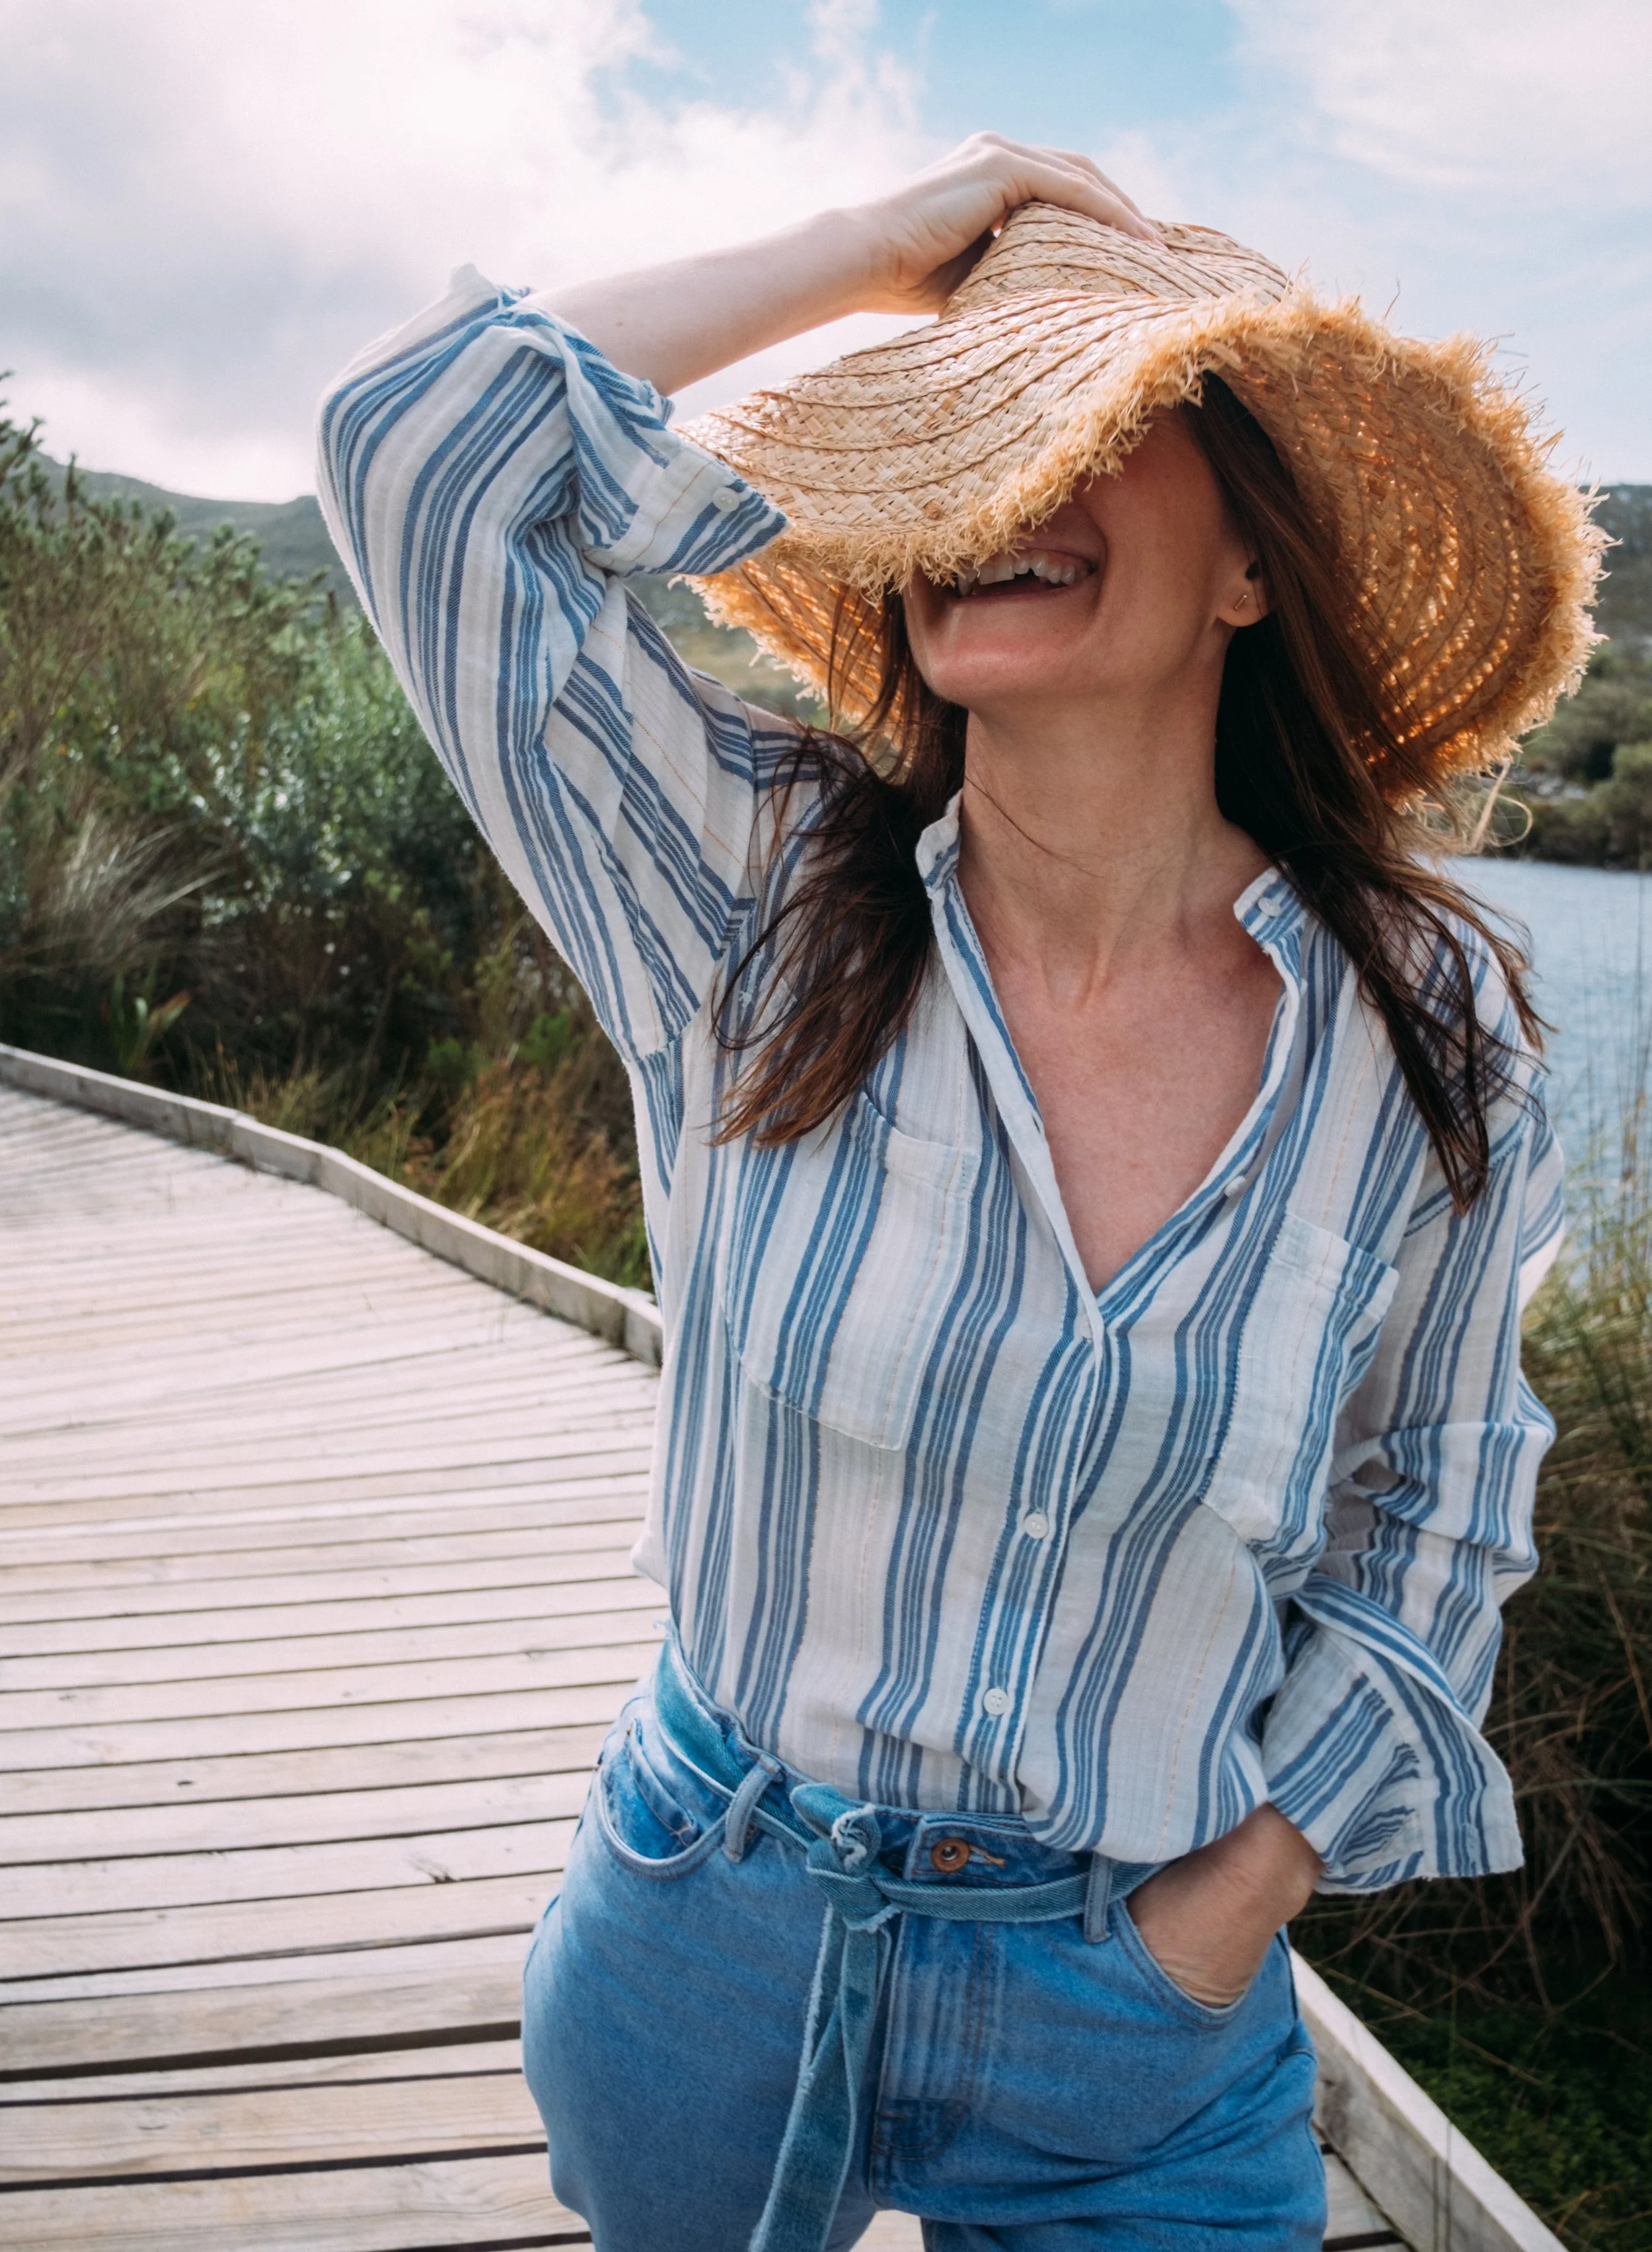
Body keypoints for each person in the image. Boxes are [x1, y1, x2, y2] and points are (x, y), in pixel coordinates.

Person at [319, 135, 1595, 2252]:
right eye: (954, 453)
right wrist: (879, 247)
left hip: (1135, 2021)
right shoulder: (747, 894)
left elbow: (1441, 1501)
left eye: (1089, 426)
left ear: (1250, 566)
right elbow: (415, 446)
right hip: (708, 1950)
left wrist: (1244, 1890)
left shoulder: (1421, 1025)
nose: (998, 490)